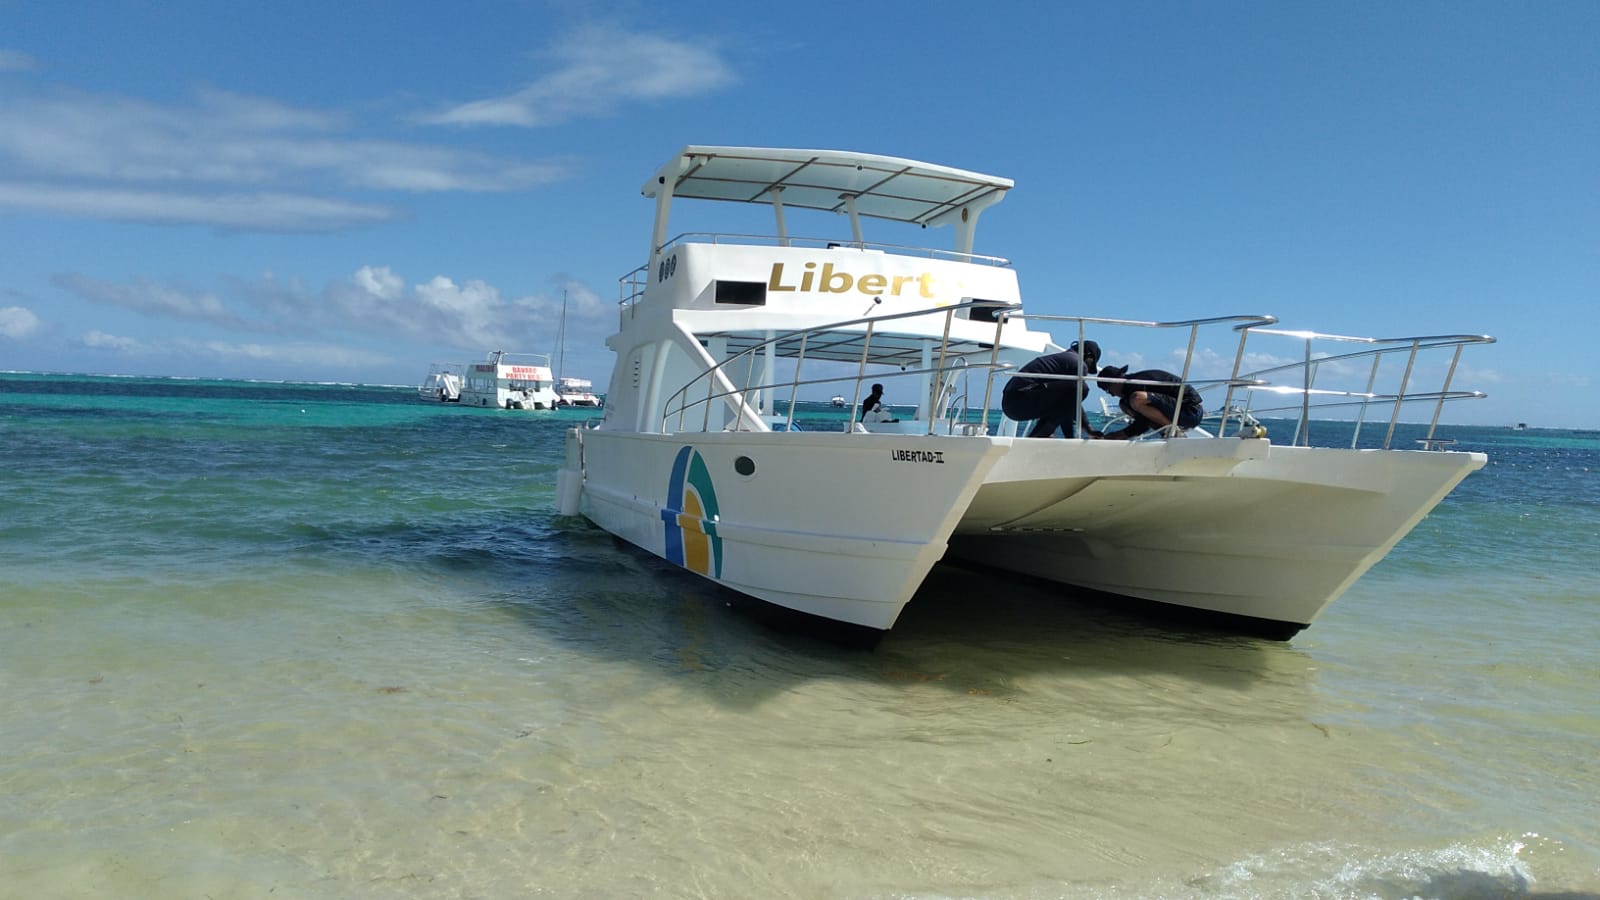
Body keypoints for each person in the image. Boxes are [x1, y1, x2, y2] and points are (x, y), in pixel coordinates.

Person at [1001, 340, 1102, 438]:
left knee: (1071, 393)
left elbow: (1068, 403)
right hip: (1020, 401)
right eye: (1092, 364)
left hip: (1011, 402)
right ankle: (1040, 435)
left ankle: (1039, 435)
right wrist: (1077, 433)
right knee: (1082, 388)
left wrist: (1083, 429)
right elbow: (1072, 399)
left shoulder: (1064, 359)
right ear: (1089, 355)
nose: (1088, 368)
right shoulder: (1078, 364)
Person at [1094, 364, 1205, 439]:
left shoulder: (1137, 384)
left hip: (1190, 410)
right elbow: (1143, 423)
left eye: (1108, 390)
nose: (1112, 395)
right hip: (1176, 412)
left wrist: (1115, 436)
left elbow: (1143, 424)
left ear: (1116, 382)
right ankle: (1167, 433)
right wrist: (1112, 437)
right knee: (1125, 404)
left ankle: (1173, 432)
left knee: (1137, 398)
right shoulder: (1126, 399)